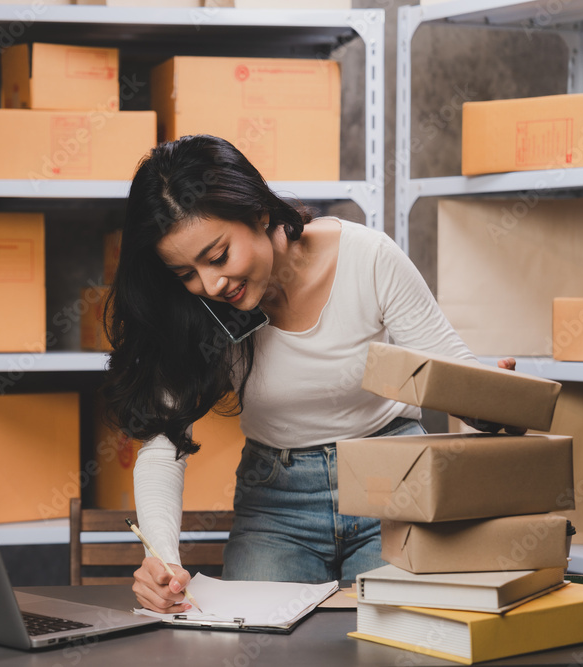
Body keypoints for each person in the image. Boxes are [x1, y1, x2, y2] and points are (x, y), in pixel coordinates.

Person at [101, 134, 519, 614]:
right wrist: (163, 558)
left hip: (393, 482)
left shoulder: (368, 258)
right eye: (186, 273)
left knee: (405, 637)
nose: (211, 284)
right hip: (277, 503)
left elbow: (450, 368)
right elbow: (163, 441)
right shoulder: (196, 308)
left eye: (217, 256)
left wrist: (489, 396)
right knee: (254, 643)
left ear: (259, 212)